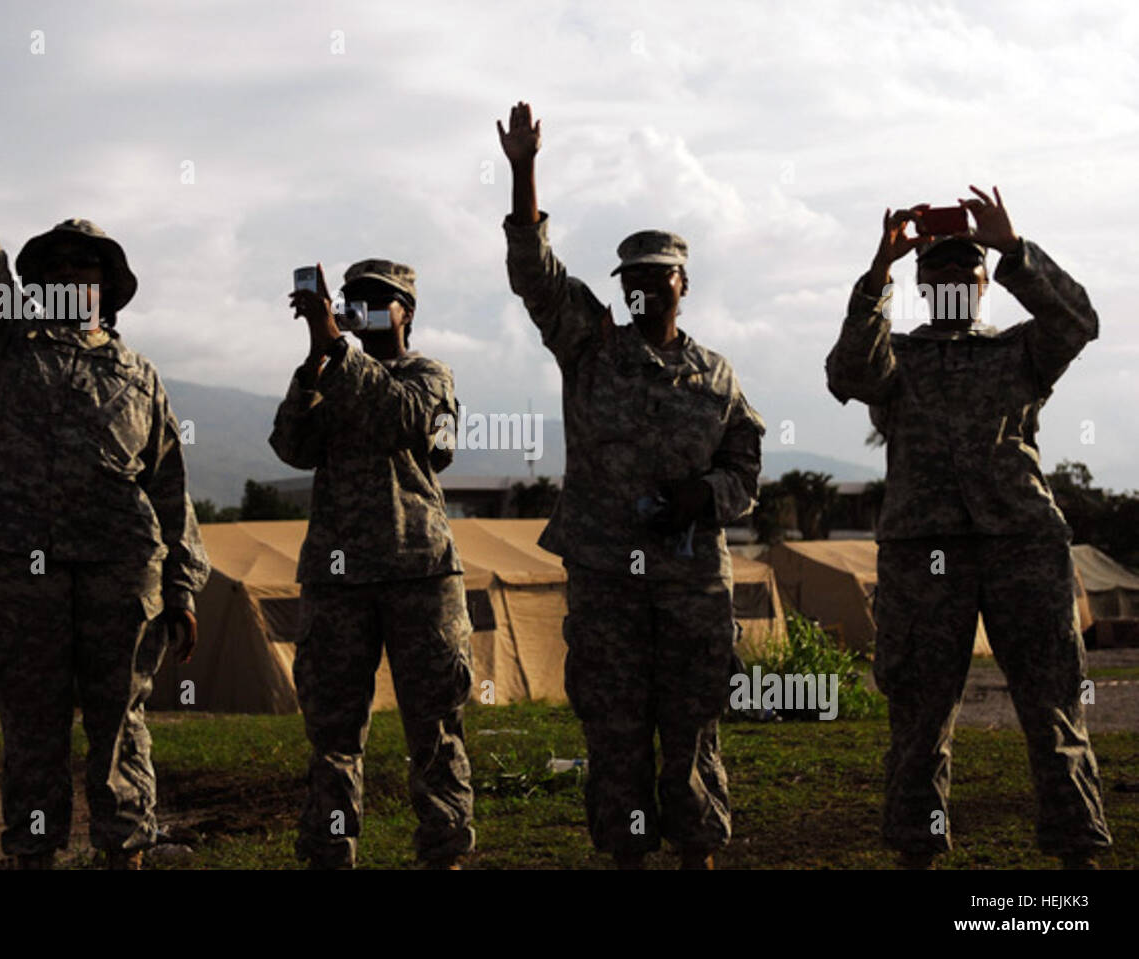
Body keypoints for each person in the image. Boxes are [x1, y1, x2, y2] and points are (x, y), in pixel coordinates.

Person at [0, 58, 210, 870]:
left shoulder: (140, 374)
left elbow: (171, 488)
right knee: (33, 731)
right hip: (24, 576)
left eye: (86, 274)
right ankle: (34, 857)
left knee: (121, 726)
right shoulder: (14, 338)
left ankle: (125, 852)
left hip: (122, 577)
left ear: (107, 291)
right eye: (55, 272)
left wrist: (184, 589)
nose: (72, 283)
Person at [497, 102, 765, 870]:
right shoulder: (590, 347)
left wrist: (703, 496)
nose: (648, 289)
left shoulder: (716, 376)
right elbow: (534, 274)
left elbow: (746, 468)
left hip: (691, 587)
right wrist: (523, 169)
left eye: (661, 277)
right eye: (635, 280)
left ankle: (697, 853)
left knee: (691, 728)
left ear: (685, 285)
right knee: (615, 731)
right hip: (609, 581)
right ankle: (626, 855)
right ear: (623, 290)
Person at [826, 187, 1113, 869]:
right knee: (921, 718)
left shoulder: (1021, 352)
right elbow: (847, 370)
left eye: (967, 268)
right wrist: (878, 271)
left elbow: (1079, 321)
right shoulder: (895, 360)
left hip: (1023, 546)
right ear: (923, 285)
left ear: (985, 284)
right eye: (941, 270)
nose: (955, 278)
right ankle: (917, 853)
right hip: (924, 555)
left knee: (1054, 714)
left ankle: (1079, 859)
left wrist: (1013, 249)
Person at [270, 260, 474, 869]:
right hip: (337, 579)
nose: (360, 309)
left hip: (420, 573)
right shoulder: (329, 373)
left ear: (407, 311)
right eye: (351, 300)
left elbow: (411, 422)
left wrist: (338, 349)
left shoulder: (430, 375)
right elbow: (291, 445)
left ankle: (444, 856)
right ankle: (329, 855)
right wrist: (314, 361)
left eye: (377, 300)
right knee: (332, 736)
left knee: (434, 732)